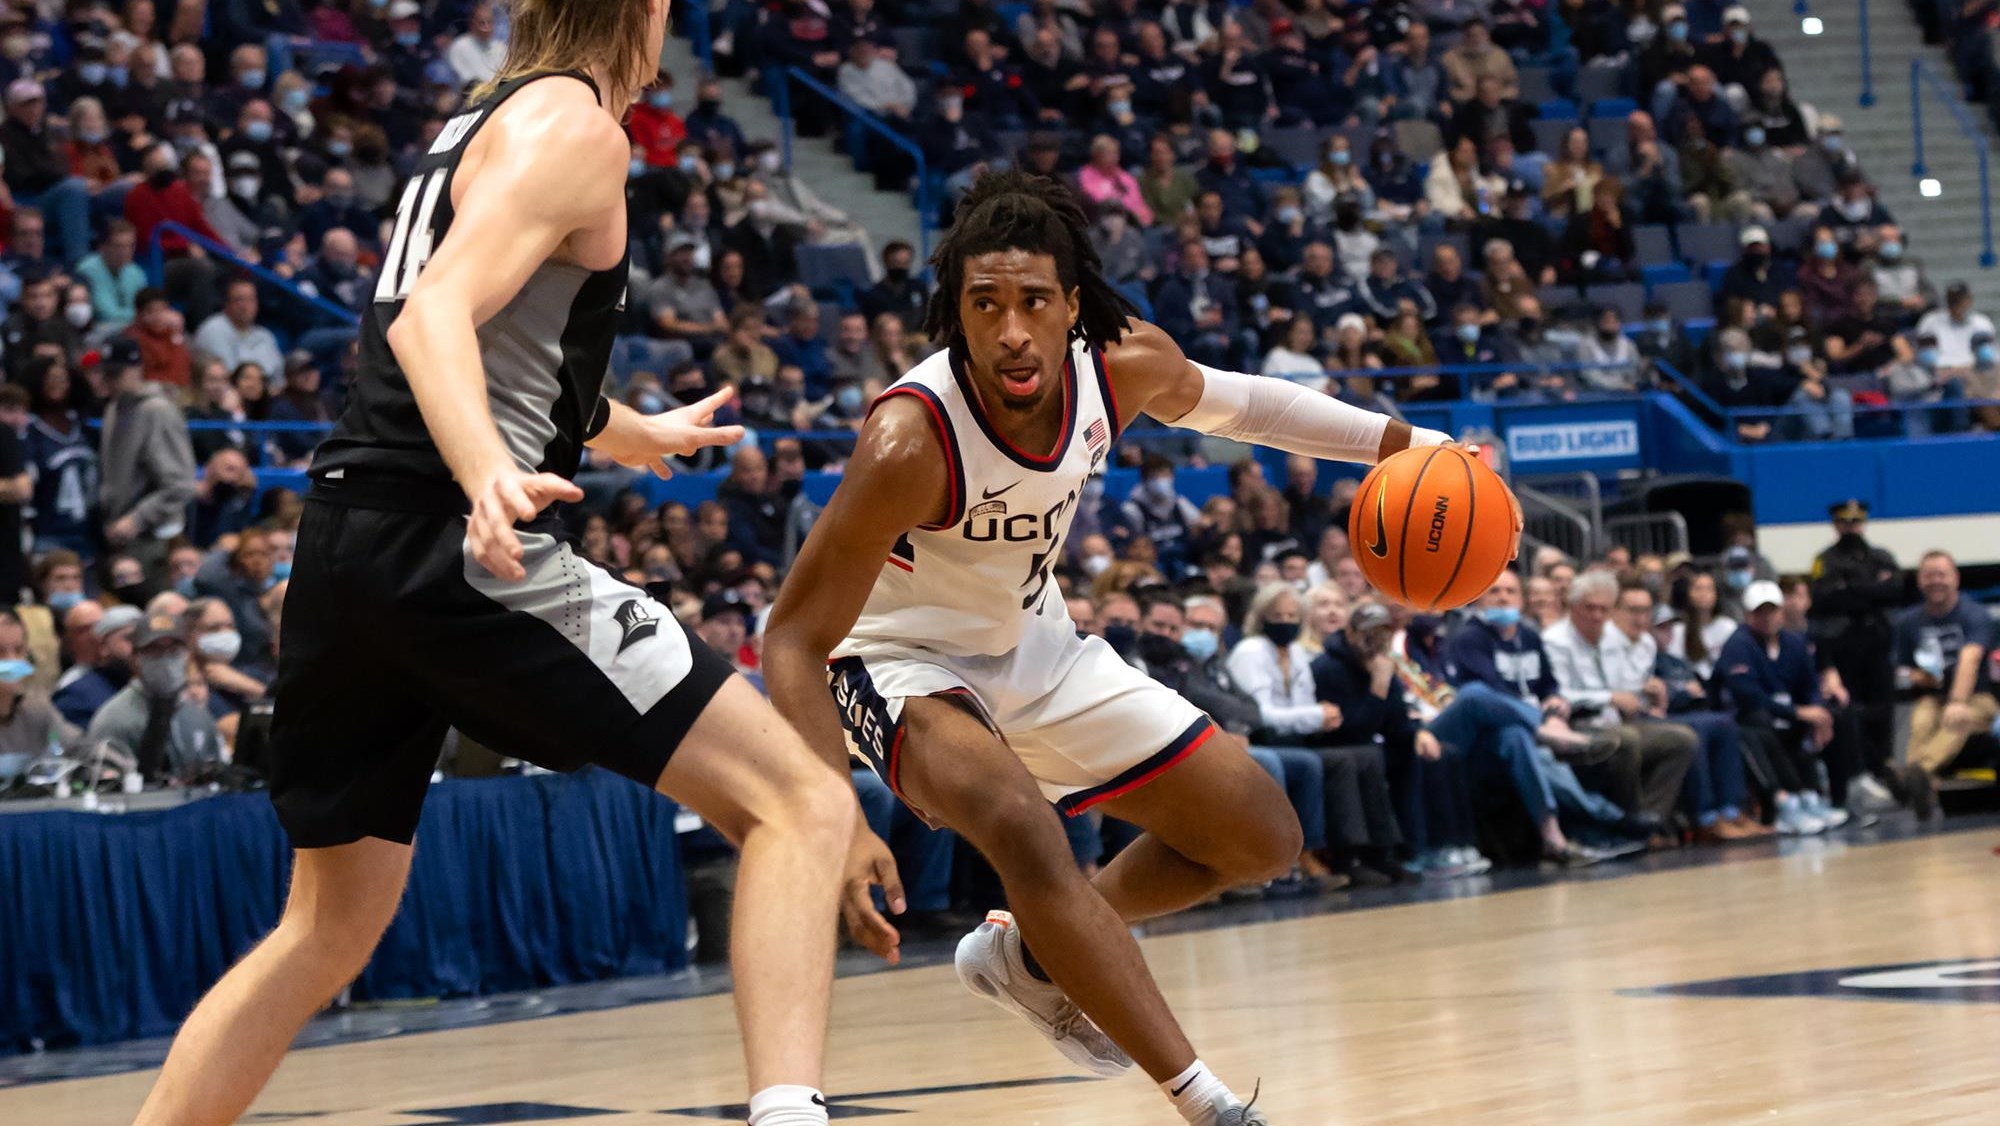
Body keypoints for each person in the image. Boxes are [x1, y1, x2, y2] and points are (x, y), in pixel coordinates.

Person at [131, 8, 854, 1126]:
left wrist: (623, 430)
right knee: (800, 801)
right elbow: (431, 321)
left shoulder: (478, 122)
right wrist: (485, 475)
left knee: (325, 925)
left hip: (347, 543)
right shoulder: (576, 127)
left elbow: (498, 342)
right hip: (456, 544)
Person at [1717, 581, 1858, 834]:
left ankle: (1824, 796)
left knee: (1835, 716)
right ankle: (1784, 802)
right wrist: (1798, 712)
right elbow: (1749, 696)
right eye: (1759, 612)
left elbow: (1810, 684)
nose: (1767, 617)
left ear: (1781, 611)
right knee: (1758, 725)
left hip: (1788, 714)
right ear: (1748, 614)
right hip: (1750, 718)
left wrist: (1818, 712)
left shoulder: (1794, 643)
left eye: (1772, 610)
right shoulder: (1738, 645)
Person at [1807, 498, 1902, 788]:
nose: (1850, 528)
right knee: (1849, 711)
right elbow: (1823, 599)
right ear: (1836, 525)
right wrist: (1871, 589)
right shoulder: (1824, 559)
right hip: (1843, 645)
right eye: (1845, 522)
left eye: (1856, 522)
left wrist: (1850, 586)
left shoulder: (1881, 556)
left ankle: (1882, 770)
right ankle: (1854, 776)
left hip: (1878, 642)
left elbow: (1894, 590)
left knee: (1882, 711)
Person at [86, 610, 226, 783]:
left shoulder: (199, 716)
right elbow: (107, 789)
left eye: (174, 649)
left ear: (187, 655)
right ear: (135, 658)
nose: (166, 658)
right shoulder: (114, 721)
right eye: (154, 650)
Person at [99, 338, 197, 584]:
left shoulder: (157, 410)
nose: (110, 381)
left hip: (155, 537)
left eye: (116, 374)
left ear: (136, 369)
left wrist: (137, 518)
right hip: (119, 534)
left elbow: (181, 484)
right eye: (106, 374)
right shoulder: (113, 409)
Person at [1895, 550, 1994, 787]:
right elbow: (1898, 671)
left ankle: (1913, 775)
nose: (1935, 581)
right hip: (1933, 696)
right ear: (1919, 581)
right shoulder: (1907, 621)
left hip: (1977, 697)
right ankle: (1921, 782)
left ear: (1955, 578)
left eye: (1941, 574)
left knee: (1955, 720)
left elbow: (1970, 658)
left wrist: (1957, 701)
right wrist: (1916, 677)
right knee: (1921, 720)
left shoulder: (1976, 615)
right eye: (1929, 575)